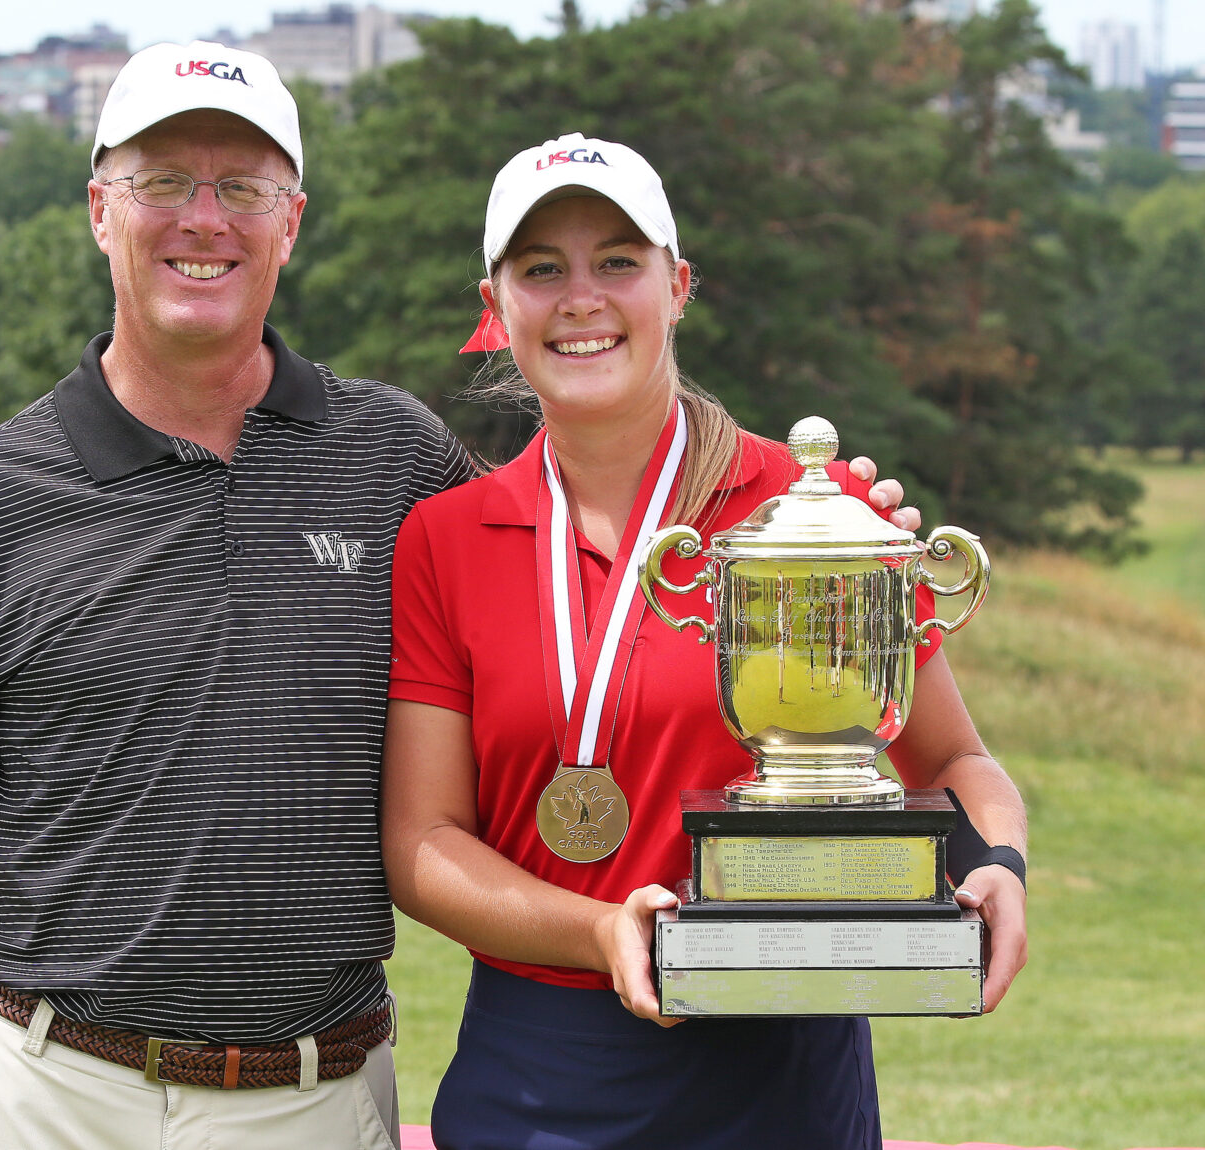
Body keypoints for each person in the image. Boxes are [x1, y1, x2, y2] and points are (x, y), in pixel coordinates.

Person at [0, 41, 473, 1150]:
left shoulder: (399, 459)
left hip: (319, 1099)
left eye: (243, 187)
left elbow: (571, 593)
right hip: (46, 1099)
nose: (205, 219)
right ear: (101, 210)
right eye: (162, 183)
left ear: (291, 221)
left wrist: (788, 512)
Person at [381, 133, 1028, 1150]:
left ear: (679, 286)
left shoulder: (812, 515)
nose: (581, 297)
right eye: (541, 269)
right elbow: (422, 845)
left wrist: (999, 864)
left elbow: (952, 760)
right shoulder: (445, 539)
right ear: (494, 305)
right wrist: (600, 929)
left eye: (619, 263)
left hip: (783, 1073)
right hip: (536, 1074)